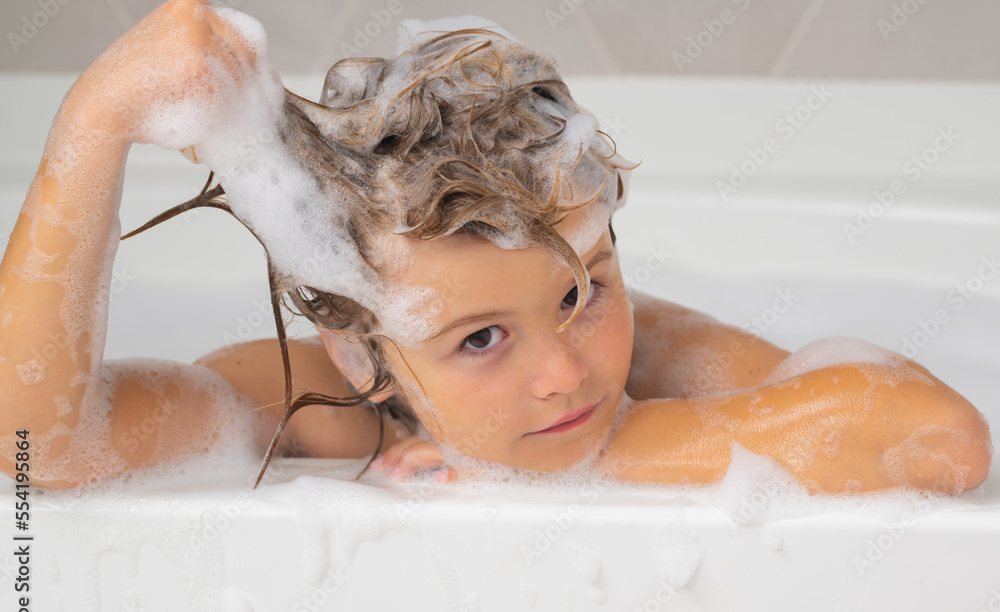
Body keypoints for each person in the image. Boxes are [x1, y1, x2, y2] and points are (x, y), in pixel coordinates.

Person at [0, 0, 991, 494]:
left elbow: (940, 437)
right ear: (365, 354)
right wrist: (92, 127)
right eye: (479, 339)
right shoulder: (329, 405)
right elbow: (39, 444)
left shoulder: (650, 362)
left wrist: (614, 450)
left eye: (578, 293)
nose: (565, 371)